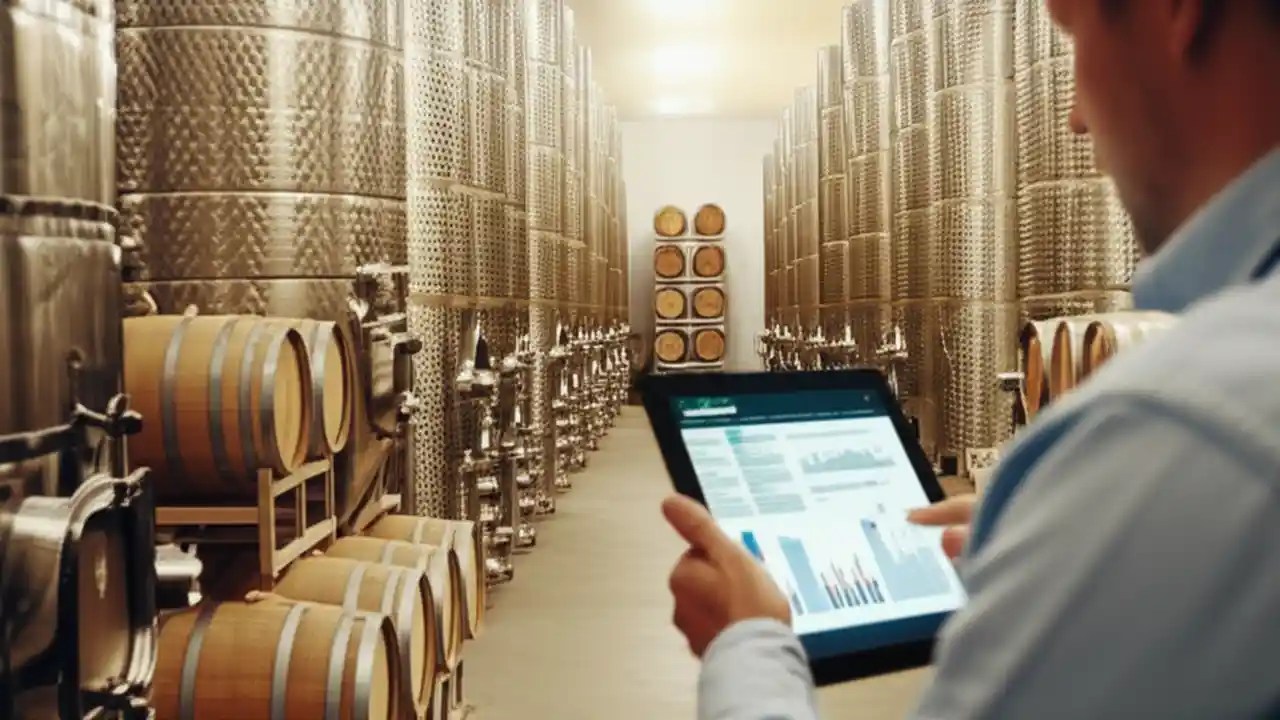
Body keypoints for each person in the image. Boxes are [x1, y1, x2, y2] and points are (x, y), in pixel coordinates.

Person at [663, 0, 1280, 717]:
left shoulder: (1182, 429)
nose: (1076, 116)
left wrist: (749, 645)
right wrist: (1069, 526)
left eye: (1074, 36)